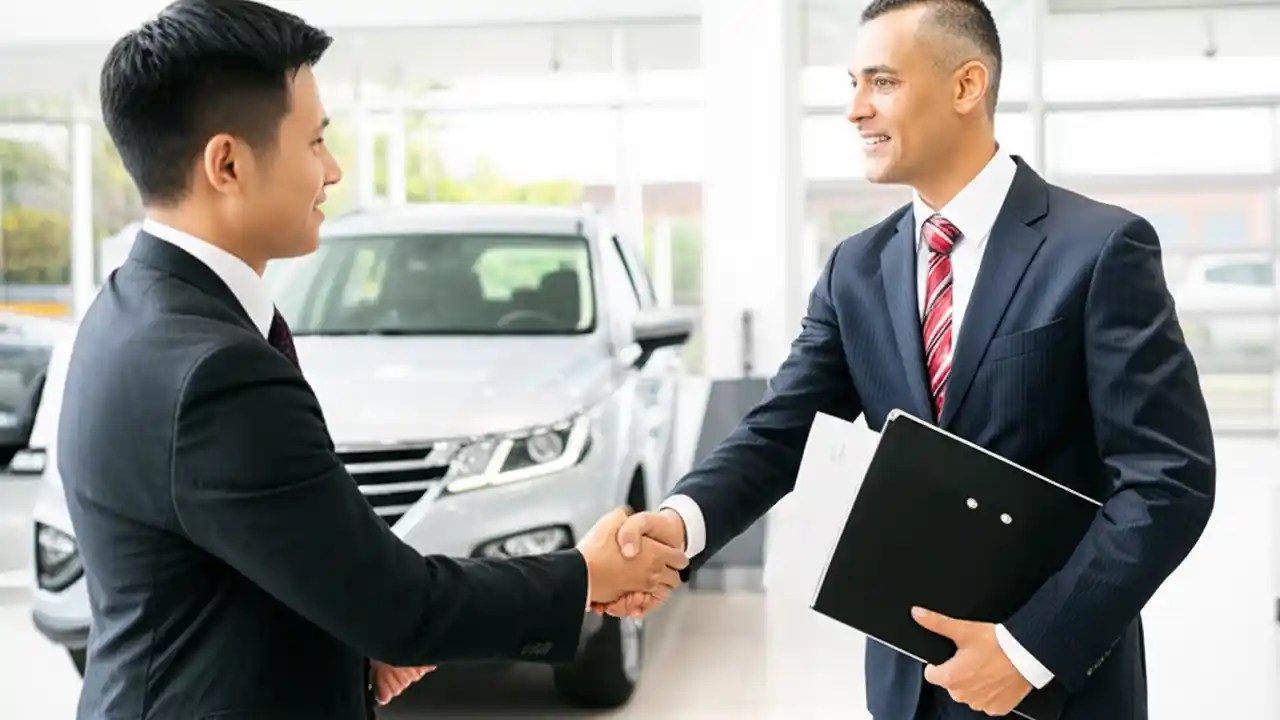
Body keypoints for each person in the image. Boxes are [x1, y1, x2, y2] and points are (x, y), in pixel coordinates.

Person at [59, 2, 686, 718]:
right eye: (315, 141)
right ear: (227, 163)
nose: (332, 170)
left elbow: (232, 560)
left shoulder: (125, 312)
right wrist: (586, 575)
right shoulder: (217, 371)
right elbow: (400, 605)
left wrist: (353, 640)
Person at [595, 0, 1215, 718]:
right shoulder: (856, 269)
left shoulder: (1100, 249)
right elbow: (780, 432)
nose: (856, 109)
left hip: (1053, 687)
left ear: (966, 86)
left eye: (882, 81)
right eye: (853, 83)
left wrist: (1028, 652)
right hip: (906, 689)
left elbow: (1168, 480)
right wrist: (678, 526)